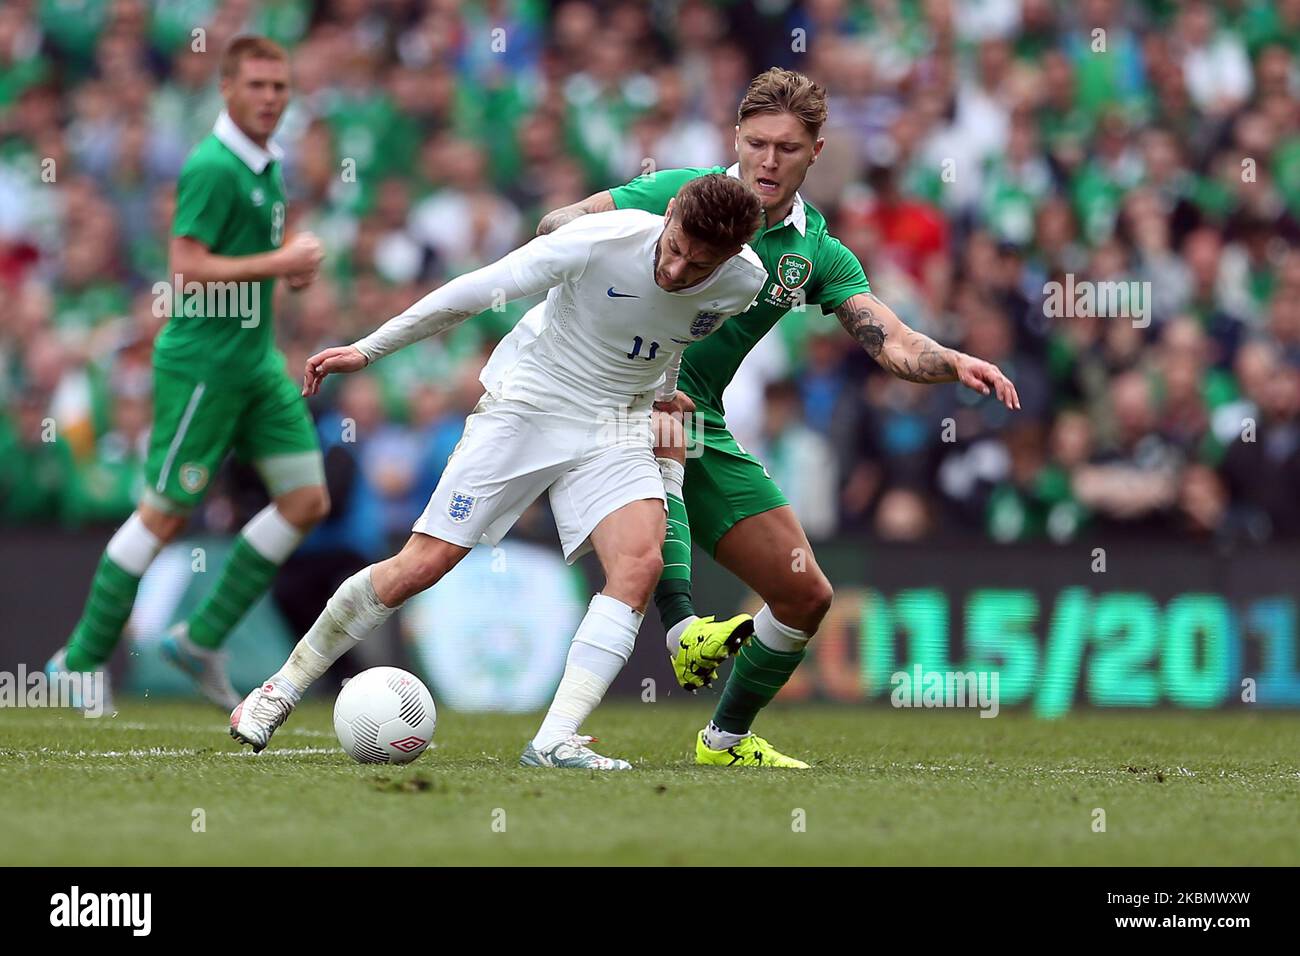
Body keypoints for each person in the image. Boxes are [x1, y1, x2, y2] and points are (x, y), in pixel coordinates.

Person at [539, 68, 1020, 767]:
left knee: (804, 594)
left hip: (697, 419)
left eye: (787, 148)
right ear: (735, 137)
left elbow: (889, 338)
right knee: (645, 446)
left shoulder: (812, 252)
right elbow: (559, 224)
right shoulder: (677, 192)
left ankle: (724, 741)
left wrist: (951, 361)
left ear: (815, 153)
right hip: (612, 393)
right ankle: (682, 632)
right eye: (757, 142)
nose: (768, 161)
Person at [230, 173, 767, 770]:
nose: (676, 270)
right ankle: (277, 691)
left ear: (732, 255)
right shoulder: (598, 241)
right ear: (669, 214)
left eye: (698, 265)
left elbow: (667, 340)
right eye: (674, 249)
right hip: (531, 405)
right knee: (420, 568)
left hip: (617, 421)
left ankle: (554, 740)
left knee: (638, 565)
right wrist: (369, 349)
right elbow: (472, 290)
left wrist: (664, 396)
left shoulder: (745, 282)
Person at [45, 36, 329, 713]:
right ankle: (77, 660)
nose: (269, 98)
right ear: (227, 89)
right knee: (166, 513)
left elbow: (247, 265)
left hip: (254, 362)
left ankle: (199, 641)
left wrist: (284, 272)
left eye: (279, 87)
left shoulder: (265, 164)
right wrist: (281, 261)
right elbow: (185, 269)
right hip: (202, 366)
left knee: (305, 501)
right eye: (257, 86)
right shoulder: (212, 165)